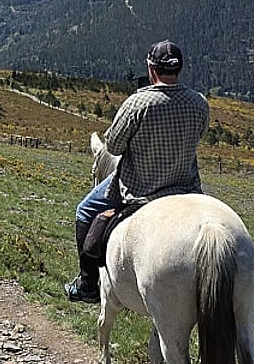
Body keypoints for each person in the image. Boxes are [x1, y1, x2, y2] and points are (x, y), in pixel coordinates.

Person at [64, 39, 210, 303]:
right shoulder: (199, 102)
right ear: (179, 69)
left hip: (141, 189)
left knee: (85, 211)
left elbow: (114, 147)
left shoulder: (138, 103)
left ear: (151, 68)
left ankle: (88, 284)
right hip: (186, 187)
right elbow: (198, 135)